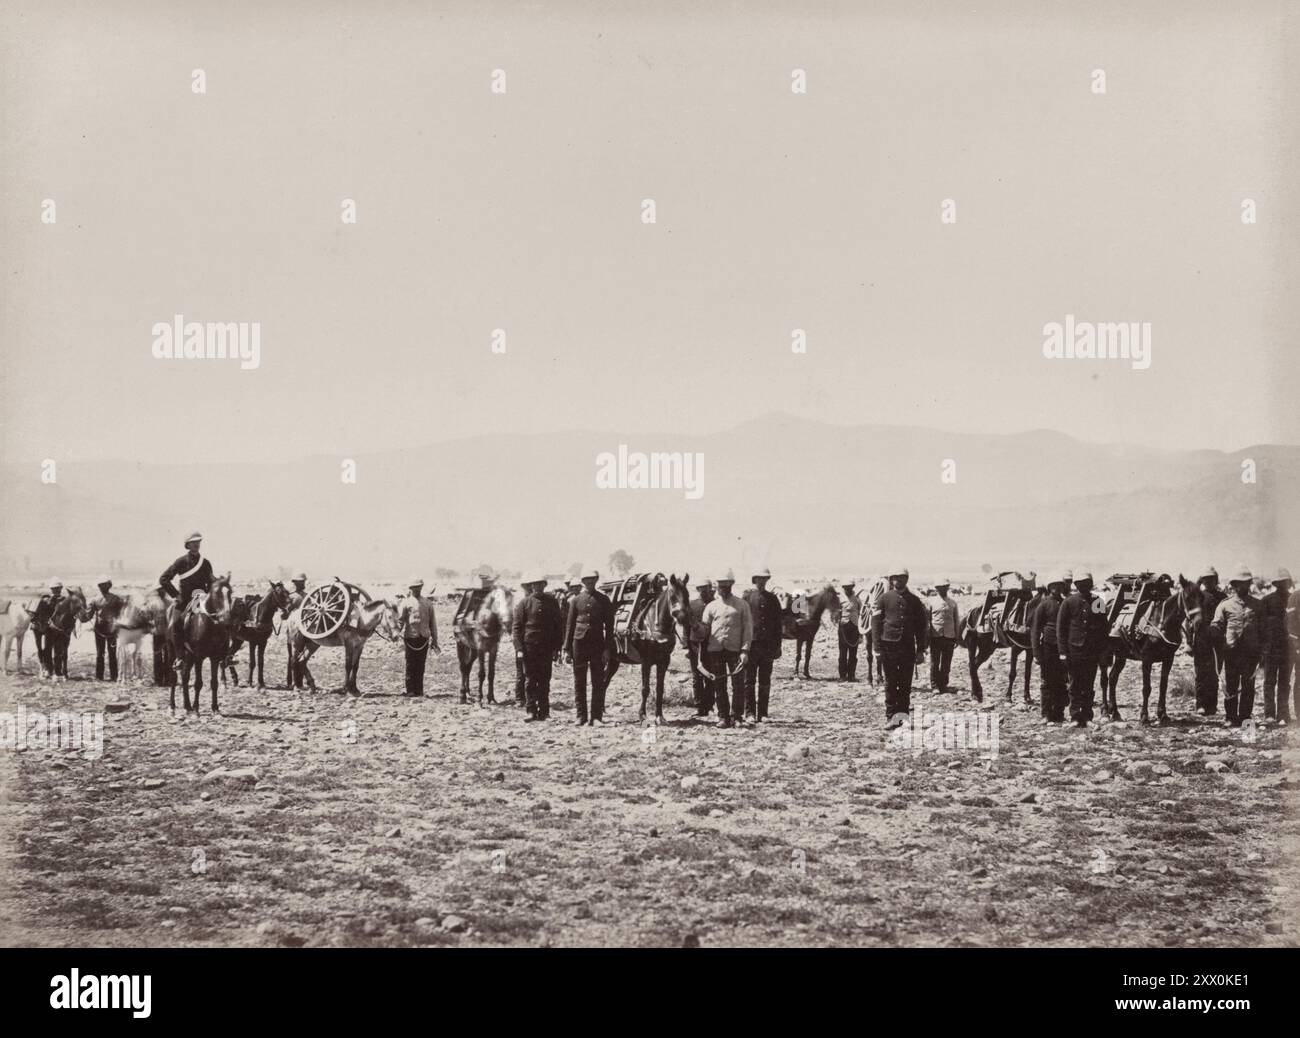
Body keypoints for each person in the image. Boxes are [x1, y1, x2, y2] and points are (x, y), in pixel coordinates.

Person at [871, 566, 928, 727]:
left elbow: (921, 626)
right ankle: (890, 717)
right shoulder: (883, 598)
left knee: (905, 684)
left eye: (901, 577)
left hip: (907, 647)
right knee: (890, 682)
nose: (898, 580)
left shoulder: (915, 601)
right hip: (888, 647)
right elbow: (875, 624)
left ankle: (903, 717)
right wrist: (877, 648)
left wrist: (921, 650)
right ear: (891, 580)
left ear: (907, 579)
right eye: (895, 577)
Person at [1211, 568, 1264, 728]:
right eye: (1238, 584)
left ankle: (1245, 717)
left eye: (1245, 583)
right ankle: (1230, 717)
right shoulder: (1225, 605)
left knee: (1248, 685)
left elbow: (1263, 628)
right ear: (1233, 585)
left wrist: (1264, 649)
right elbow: (1217, 625)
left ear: (1249, 584)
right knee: (1231, 684)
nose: (1242, 586)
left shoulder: (1258, 604)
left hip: (1251, 652)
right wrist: (1214, 633)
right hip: (1232, 651)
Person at [700, 569, 752, 728]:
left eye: (726, 584)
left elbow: (748, 629)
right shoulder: (710, 607)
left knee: (738, 685)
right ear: (716, 586)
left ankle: (737, 717)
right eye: (720, 585)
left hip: (735, 650)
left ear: (731, 584)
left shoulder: (742, 605)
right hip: (715, 651)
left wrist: (745, 651)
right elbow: (704, 629)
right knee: (719, 685)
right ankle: (723, 717)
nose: (722, 587)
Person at [1057, 569, 1108, 727]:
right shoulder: (1069, 602)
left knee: (1089, 685)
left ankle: (1087, 717)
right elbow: (1061, 629)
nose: (1084, 587)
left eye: (1087, 584)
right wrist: (1063, 653)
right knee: (1074, 684)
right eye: (1081, 584)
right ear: (1076, 585)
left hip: (1092, 651)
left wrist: (1103, 652)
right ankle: (1074, 717)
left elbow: (1103, 628)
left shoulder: (1098, 602)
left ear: (1091, 585)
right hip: (1074, 651)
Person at [564, 567, 615, 726]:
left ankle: (596, 717)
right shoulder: (576, 600)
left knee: (597, 681)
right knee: (579, 681)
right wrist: (567, 649)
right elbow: (570, 625)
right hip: (578, 644)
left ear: (596, 581)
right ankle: (581, 716)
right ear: (582, 582)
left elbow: (610, 627)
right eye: (587, 580)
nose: (590, 582)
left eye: (592, 580)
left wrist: (607, 649)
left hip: (597, 644)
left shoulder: (604, 600)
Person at [513, 572, 563, 721]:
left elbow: (558, 626)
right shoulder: (524, 603)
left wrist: (556, 648)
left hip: (546, 648)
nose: (538, 587)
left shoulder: (552, 602)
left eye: (541, 584)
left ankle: (544, 712)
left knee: (545, 680)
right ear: (531, 586)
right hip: (529, 648)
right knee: (529, 680)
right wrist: (519, 649)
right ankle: (531, 711)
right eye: (535, 585)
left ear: (544, 585)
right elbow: (516, 628)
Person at [160, 532, 216, 655]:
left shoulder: (206, 563)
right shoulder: (180, 562)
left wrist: (210, 594)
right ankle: (179, 656)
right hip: (184, 599)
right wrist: (176, 595)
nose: (197, 544)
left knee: (219, 621)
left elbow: (211, 583)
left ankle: (222, 654)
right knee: (175, 625)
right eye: (193, 542)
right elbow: (163, 579)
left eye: (198, 542)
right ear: (188, 545)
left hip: (201, 599)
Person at [742, 567, 783, 721]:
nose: (762, 581)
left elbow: (778, 625)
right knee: (749, 681)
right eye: (759, 578)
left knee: (765, 681)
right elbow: (743, 622)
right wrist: (742, 647)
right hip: (751, 646)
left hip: (767, 646)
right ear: (755, 580)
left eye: (764, 578)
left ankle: (763, 713)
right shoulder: (747, 597)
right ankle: (750, 713)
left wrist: (777, 646)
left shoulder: (773, 599)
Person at [1031, 573, 1070, 722]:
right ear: (1049, 587)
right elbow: (1035, 630)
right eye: (1053, 585)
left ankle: (1059, 713)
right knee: (1047, 681)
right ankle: (1046, 714)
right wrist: (1036, 652)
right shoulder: (1044, 605)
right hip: (1048, 647)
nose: (1056, 588)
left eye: (1059, 585)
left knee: (1061, 681)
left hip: (1064, 648)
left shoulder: (1066, 603)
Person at [1190, 565, 1224, 716]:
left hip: (1217, 639)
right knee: (1201, 673)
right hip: (1201, 639)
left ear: (1216, 580)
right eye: (1206, 579)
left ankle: (1212, 705)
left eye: (1211, 579)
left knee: (1215, 674)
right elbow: (1189, 619)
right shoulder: (1198, 596)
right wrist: (1188, 642)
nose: (1209, 582)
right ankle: (1201, 705)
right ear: (1202, 580)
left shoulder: (1222, 597)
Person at [1261, 567, 1293, 726]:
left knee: (1284, 682)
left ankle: (1283, 714)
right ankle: (1269, 714)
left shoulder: (1293, 599)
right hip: (1270, 648)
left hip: (1288, 648)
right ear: (1275, 584)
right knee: (1269, 681)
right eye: (1279, 583)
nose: (1282, 585)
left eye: (1284, 582)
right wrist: (1262, 647)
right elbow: (1260, 626)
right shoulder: (1266, 601)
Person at [397, 578, 439, 697]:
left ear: (421, 587)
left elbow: (433, 624)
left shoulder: (428, 603)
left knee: (421, 665)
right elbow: (400, 621)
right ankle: (410, 690)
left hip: (424, 638)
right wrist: (395, 633)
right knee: (410, 664)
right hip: (411, 638)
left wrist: (435, 640)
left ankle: (419, 690)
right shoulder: (405, 603)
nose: (417, 589)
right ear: (411, 589)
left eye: (419, 587)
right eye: (414, 588)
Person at [687, 576, 716, 716]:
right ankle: (699, 706)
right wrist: (686, 646)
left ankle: (709, 705)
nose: (704, 591)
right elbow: (686, 627)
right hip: (694, 646)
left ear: (711, 589)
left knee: (710, 675)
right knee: (696, 676)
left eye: (706, 588)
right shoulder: (692, 605)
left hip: (711, 645)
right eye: (701, 589)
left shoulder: (716, 604)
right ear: (697, 589)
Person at [926, 578, 960, 693]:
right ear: (936, 589)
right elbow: (927, 620)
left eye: (945, 587)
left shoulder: (953, 603)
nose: (942, 589)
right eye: (940, 588)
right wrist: (927, 637)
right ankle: (934, 686)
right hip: (935, 636)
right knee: (935, 663)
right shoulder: (931, 602)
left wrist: (957, 637)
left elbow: (956, 620)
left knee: (946, 663)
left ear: (948, 588)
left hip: (949, 636)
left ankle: (943, 685)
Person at [88, 576, 124, 681]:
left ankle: (113, 676)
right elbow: (88, 615)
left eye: (103, 585)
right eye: (100, 585)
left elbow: (120, 614)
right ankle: (100, 676)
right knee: (100, 653)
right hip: (100, 629)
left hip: (111, 629)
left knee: (110, 653)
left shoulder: (116, 599)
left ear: (108, 586)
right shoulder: (95, 599)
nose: (101, 587)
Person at [837, 579, 863, 681]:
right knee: (842, 653)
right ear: (843, 588)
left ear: (853, 587)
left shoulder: (857, 598)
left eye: (849, 587)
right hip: (843, 627)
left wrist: (861, 630)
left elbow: (861, 612)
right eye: (845, 587)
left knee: (853, 652)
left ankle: (851, 675)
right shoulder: (840, 598)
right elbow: (836, 612)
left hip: (854, 627)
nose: (847, 589)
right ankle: (842, 676)